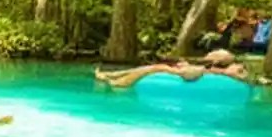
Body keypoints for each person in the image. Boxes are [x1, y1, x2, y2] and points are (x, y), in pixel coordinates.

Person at [94, 49, 262, 88]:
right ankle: (112, 75)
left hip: (194, 75)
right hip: (194, 72)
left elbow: (237, 75)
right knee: (153, 67)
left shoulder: (233, 68)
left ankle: (118, 82)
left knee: (155, 67)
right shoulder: (220, 65)